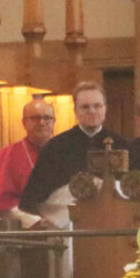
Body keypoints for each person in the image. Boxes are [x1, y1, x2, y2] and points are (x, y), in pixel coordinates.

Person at [18, 81, 121, 219]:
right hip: (68, 226)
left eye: (97, 106)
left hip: (113, 221)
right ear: (75, 111)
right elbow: (34, 199)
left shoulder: (122, 145)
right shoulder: (55, 147)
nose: (92, 111)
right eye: (85, 107)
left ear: (105, 109)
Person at [0, 97, 55, 220]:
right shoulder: (9, 155)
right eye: (35, 118)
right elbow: (3, 206)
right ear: (24, 123)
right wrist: (36, 222)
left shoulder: (66, 152)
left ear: (54, 121)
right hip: (27, 231)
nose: (42, 122)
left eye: (47, 118)